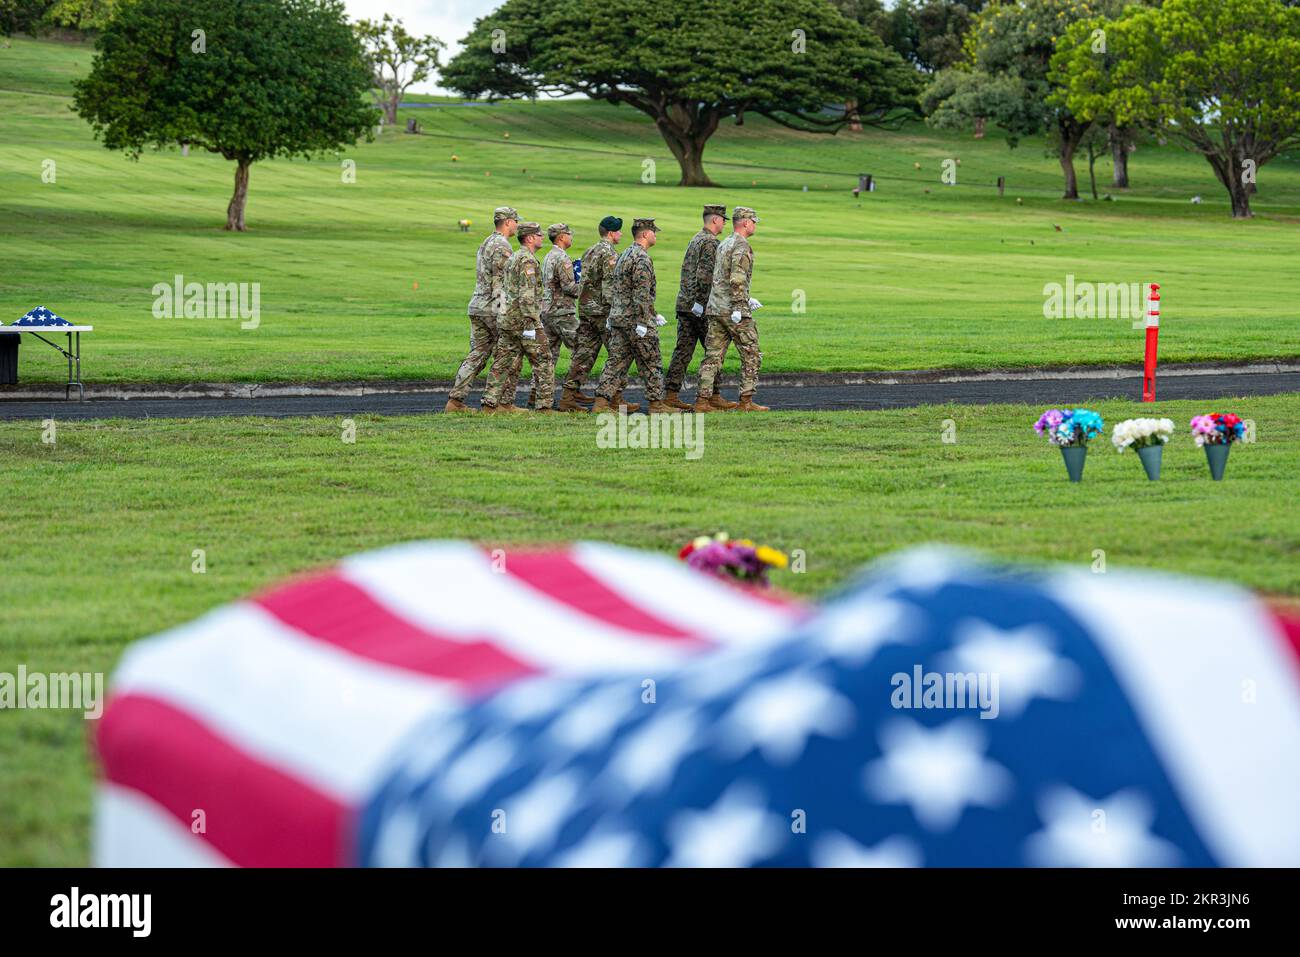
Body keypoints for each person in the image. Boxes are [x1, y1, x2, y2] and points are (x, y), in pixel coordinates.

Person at [592, 218, 672, 414]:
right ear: (645, 234)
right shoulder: (642, 258)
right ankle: (656, 405)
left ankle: (600, 404)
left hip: (619, 318)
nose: (655, 235)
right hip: (635, 321)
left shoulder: (625, 254)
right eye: (654, 232)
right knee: (652, 362)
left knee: (615, 362)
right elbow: (641, 293)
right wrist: (645, 320)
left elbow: (618, 289)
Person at [558, 216, 637, 412]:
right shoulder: (609, 253)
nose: (621, 234)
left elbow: (581, 279)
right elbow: (610, 285)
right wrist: (615, 310)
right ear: (611, 233)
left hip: (586, 310)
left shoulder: (590, 250)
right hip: (603, 312)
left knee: (583, 355)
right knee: (619, 355)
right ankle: (614, 399)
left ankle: (567, 396)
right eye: (619, 231)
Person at [694, 206, 769, 412]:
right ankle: (746, 401)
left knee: (712, 357)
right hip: (733, 311)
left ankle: (702, 401)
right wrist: (739, 304)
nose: (754, 225)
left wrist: (746, 297)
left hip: (716, 308)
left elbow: (719, 276)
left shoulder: (724, 243)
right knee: (751, 353)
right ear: (745, 222)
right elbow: (737, 276)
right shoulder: (742, 245)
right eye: (753, 221)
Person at [446, 206, 518, 412]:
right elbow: (499, 282)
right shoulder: (502, 245)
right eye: (515, 221)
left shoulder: (487, 241)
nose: (517, 225)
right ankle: (498, 403)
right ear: (507, 222)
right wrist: (503, 312)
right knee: (506, 354)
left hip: (477, 305)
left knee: (477, 354)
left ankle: (455, 401)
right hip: (491, 309)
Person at [481, 223, 555, 413]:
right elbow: (527, 295)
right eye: (539, 234)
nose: (542, 237)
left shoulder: (514, 256)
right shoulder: (527, 260)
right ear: (530, 238)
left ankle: (491, 405)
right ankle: (544, 406)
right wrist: (531, 324)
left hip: (507, 319)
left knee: (503, 362)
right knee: (544, 359)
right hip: (523, 320)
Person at [664, 204, 727, 410]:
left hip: (684, 304)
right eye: (723, 219)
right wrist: (701, 304)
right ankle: (712, 396)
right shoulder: (710, 242)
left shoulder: (696, 238)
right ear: (715, 220)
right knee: (714, 351)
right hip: (699, 306)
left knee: (683, 351)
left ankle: (671, 394)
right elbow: (704, 276)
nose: (725, 223)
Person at [519, 223, 584, 409]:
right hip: (562, 311)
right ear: (562, 237)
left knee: (549, 356)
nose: (571, 237)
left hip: (546, 311)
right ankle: (570, 394)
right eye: (569, 234)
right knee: (582, 350)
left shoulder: (548, 256)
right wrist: (584, 281)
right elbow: (569, 288)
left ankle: (536, 392)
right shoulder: (562, 257)